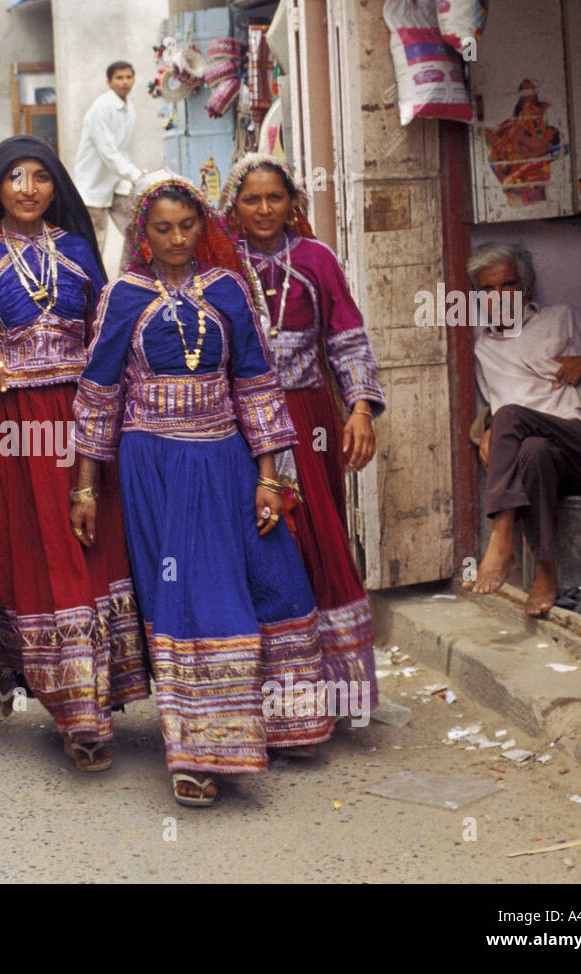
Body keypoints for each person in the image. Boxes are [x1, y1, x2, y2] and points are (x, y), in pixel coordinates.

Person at [71, 170, 333, 807]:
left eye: (188, 226)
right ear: (143, 233)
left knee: (271, 572)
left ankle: (277, 721)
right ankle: (196, 752)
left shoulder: (229, 291)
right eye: (162, 229)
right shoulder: (122, 296)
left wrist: (270, 476)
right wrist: (85, 487)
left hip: (226, 457)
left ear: (204, 225)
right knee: (188, 595)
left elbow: (257, 385)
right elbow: (98, 393)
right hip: (153, 465)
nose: (178, 239)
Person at [0, 135, 148, 771]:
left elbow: (110, 335)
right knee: (34, 553)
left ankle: (83, 692)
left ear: (57, 187)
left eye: (40, 178)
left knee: (87, 551)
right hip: (8, 429)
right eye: (14, 177)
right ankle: (75, 713)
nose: (27, 189)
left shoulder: (81, 250)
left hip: (81, 423)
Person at [219, 154, 383, 706]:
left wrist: (359, 409)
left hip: (308, 420)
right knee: (256, 543)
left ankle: (330, 692)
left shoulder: (317, 258)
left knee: (316, 537)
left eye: (275, 198)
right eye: (251, 199)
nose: (264, 209)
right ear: (233, 209)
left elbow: (347, 339)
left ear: (293, 203)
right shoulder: (216, 262)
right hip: (238, 424)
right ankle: (264, 694)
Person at [463, 241, 581, 616]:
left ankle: (501, 540)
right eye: (487, 290)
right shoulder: (484, 351)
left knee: (512, 419)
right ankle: (546, 573)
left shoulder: (564, 317)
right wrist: (488, 428)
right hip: (547, 456)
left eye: (507, 285)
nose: (499, 297)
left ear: (524, 289)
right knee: (533, 450)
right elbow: (500, 405)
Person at [73, 61, 142, 273]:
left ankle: (127, 278)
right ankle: (89, 292)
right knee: (95, 245)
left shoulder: (129, 108)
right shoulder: (101, 107)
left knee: (137, 230)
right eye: (119, 78)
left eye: (129, 77)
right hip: (93, 186)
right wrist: (136, 175)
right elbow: (108, 152)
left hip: (117, 183)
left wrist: (134, 178)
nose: (125, 82)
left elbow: (123, 151)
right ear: (109, 81)